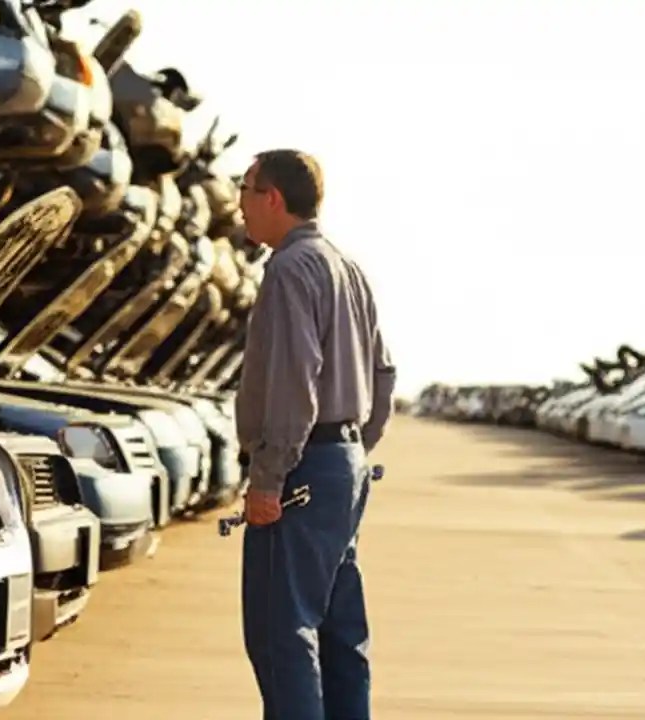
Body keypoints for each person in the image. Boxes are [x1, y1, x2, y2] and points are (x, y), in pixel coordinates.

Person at [234, 148, 396, 720]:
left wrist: (269, 478)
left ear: (273, 197)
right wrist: (353, 447)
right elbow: (384, 372)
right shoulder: (347, 268)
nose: (240, 203)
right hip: (341, 465)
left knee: (282, 634)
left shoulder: (289, 269)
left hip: (303, 467)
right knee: (340, 632)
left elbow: (293, 382)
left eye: (245, 189)